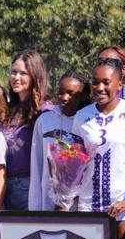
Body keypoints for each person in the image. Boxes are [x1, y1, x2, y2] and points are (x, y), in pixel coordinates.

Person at [72, 60, 125, 230]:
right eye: (95, 82)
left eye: (106, 82)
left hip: (121, 206)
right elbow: (75, 164)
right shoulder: (81, 116)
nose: (100, 88)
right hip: (88, 205)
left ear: (120, 84)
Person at [29, 72, 90, 210]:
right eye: (60, 92)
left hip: (81, 206)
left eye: (71, 93)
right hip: (47, 203)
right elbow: (37, 165)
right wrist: (34, 207)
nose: (64, 97)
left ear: (83, 95)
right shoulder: (45, 121)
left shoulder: (89, 121)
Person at [2, 50, 50, 210]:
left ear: (35, 76)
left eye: (23, 73)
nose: (16, 77)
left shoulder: (45, 110)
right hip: (4, 184)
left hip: (28, 186)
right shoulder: (10, 108)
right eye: (14, 72)